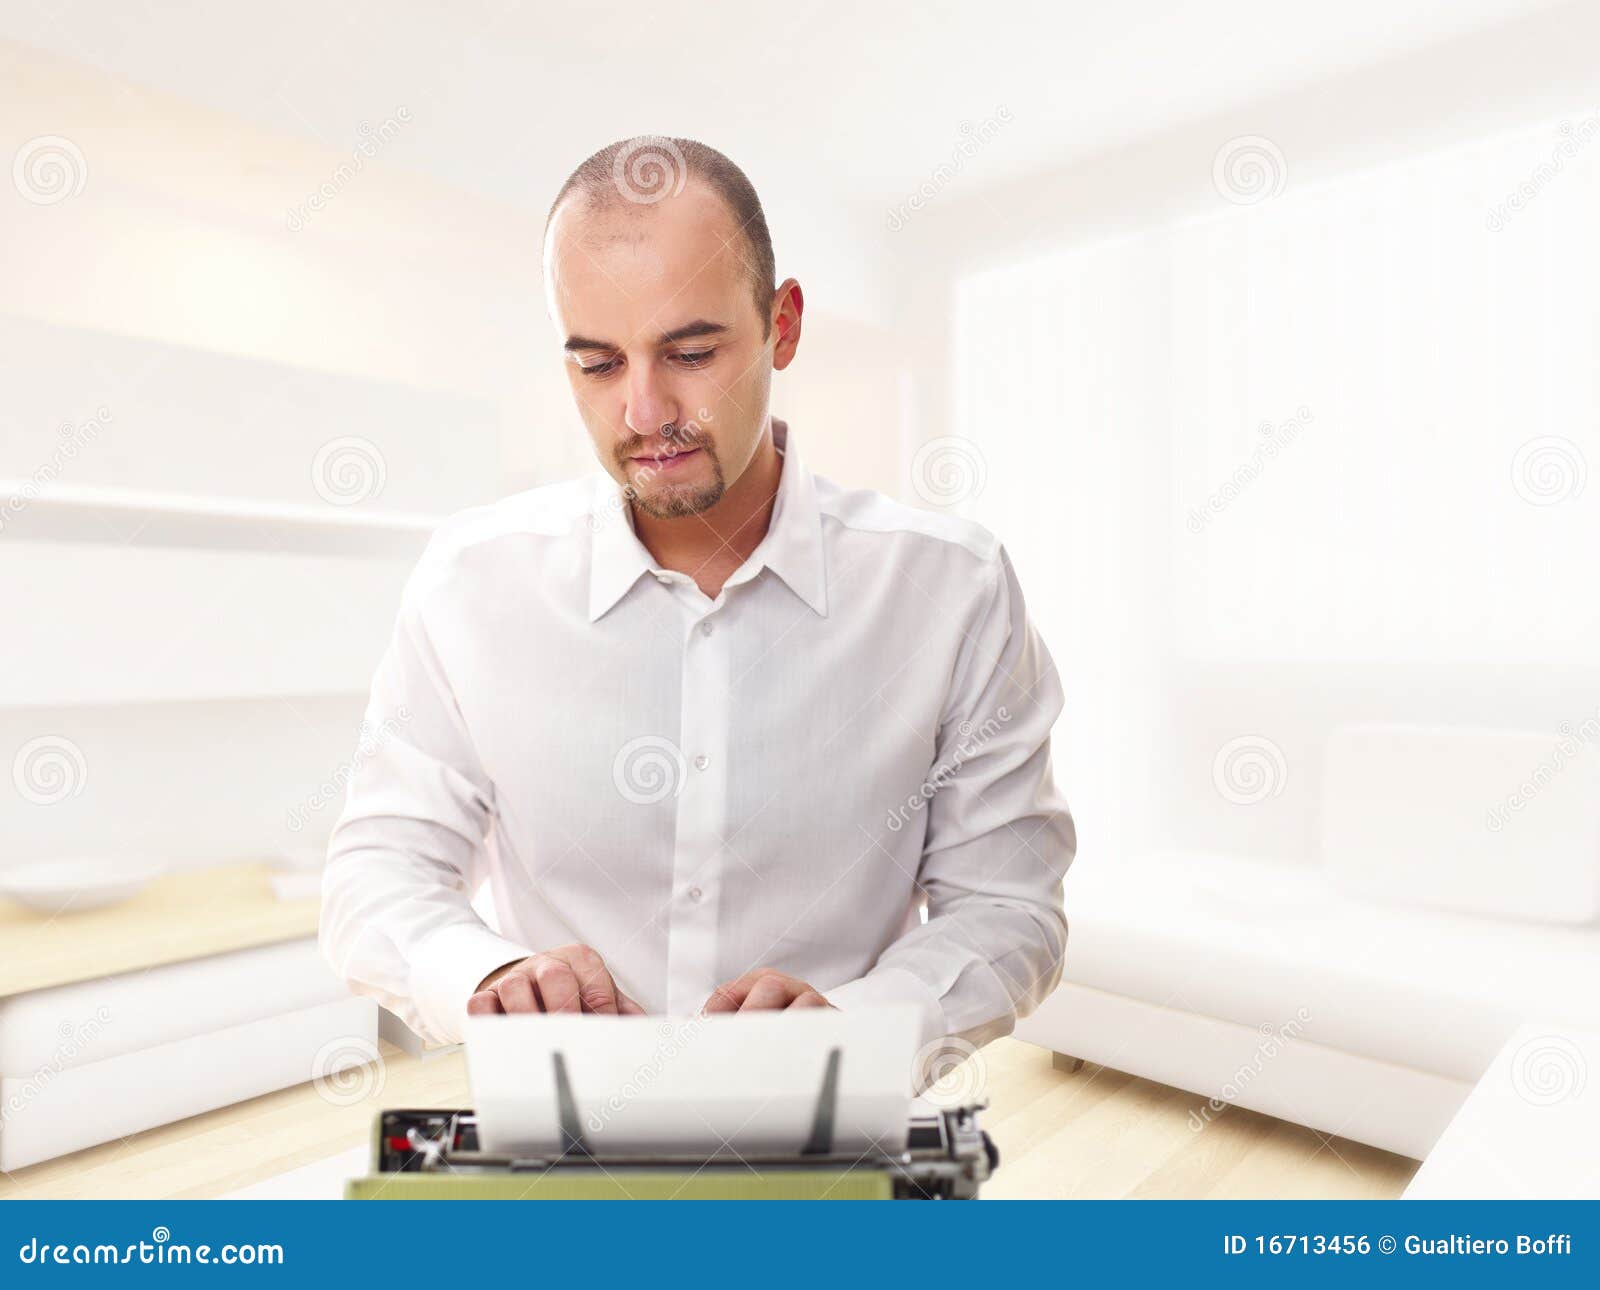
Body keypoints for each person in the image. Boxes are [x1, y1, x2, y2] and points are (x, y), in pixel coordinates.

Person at [319, 136, 1074, 1058]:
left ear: (782, 326)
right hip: (559, 1131)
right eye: (599, 365)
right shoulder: (471, 583)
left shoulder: (952, 589)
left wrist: (858, 1027)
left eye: (689, 352)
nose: (644, 413)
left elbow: (1009, 908)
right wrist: (487, 978)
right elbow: (378, 873)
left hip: (834, 1128)